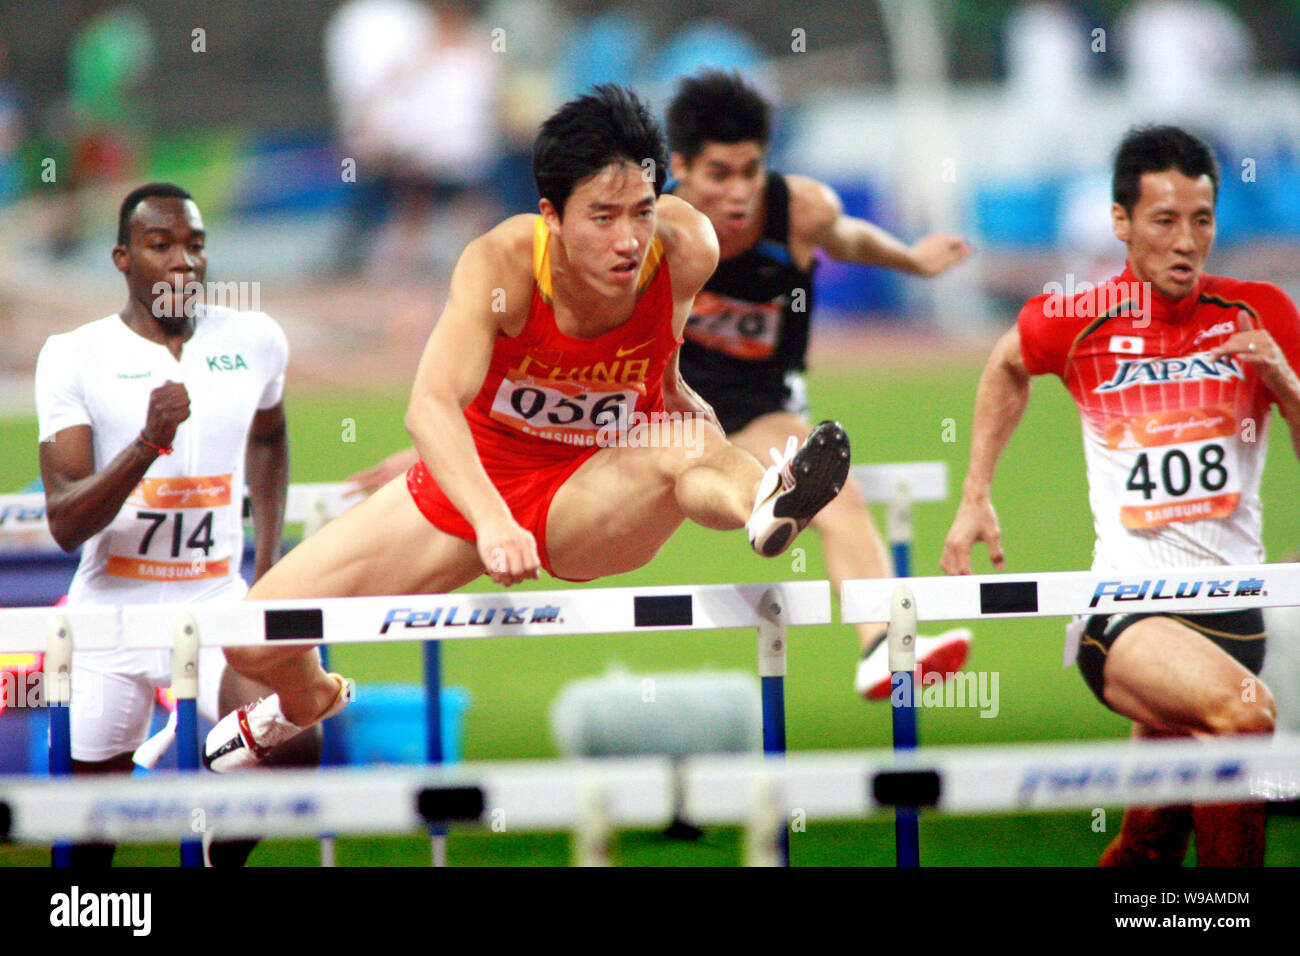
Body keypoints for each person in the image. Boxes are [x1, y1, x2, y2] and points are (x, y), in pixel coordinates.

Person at [203, 85, 851, 772]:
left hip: (593, 491)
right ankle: (308, 701)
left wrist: (681, 396)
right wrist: (490, 520)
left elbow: (659, 367)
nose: (629, 239)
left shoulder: (687, 248)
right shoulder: (502, 265)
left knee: (689, 443)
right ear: (551, 215)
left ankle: (765, 502)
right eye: (602, 217)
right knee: (252, 635)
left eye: (642, 210)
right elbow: (430, 407)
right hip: (473, 488)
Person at [941, 126, 1300, 866]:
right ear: (1121, 223)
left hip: (1236, 615)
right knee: (1243, 716)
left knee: (1150, 844)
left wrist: (1286, 385)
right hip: (1129, 615)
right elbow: (1006, 364)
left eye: (1201, 220)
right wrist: (976, 493)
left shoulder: (1261, 314)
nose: (1186, 241)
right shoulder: (1081, 317)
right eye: (1164, 220)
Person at [664, 71, 973, 700]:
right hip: (665, 403)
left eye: (750, 170)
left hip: (757, 406)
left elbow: (847, 236)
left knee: (835, 489)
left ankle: (882, 647)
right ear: (681, 169)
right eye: (718, 174)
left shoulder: (799, 208)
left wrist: (911, 259)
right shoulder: (660, 223)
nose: (739, 191)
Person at [35, 182, 318, 865]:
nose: (183, 262)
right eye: (160, 247)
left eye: (195, 246)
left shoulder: (255, 339)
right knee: (87, 840)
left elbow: (271, 436)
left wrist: (270, 560)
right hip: (110, 615)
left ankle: (222, 810)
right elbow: (66, 522)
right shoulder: (73, 355)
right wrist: (147, 443)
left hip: (214, 601)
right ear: (123, 259)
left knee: (299, 737)